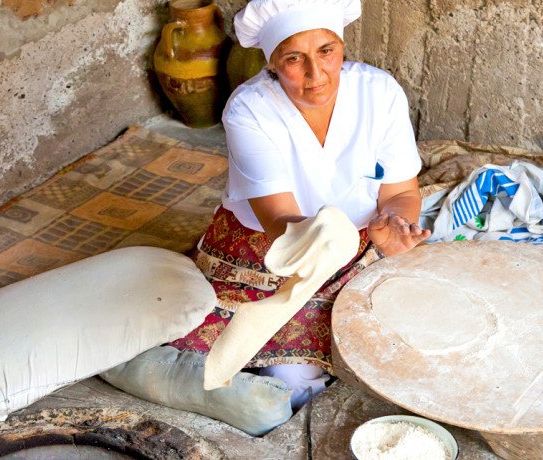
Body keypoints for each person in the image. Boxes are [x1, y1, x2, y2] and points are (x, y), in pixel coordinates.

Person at [167, 0, 430, 411]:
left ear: (341, 46)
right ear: (272, 62)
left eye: (326, 50)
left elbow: (402, 193)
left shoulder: (379, 93)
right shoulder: (250, 109)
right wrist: (327, 242)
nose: (316, 73)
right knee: (285, 380)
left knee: (409, 333)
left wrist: (394, 226)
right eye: (294, 58)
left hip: (360, 245)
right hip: (273, 251)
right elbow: (279, 222)